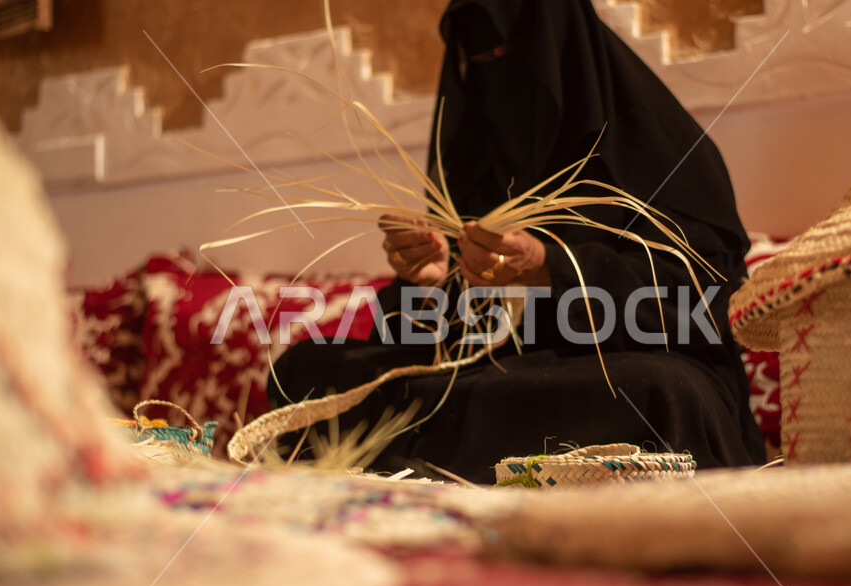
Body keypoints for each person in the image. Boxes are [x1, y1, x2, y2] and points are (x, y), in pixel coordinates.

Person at [251, 0, 766, 482]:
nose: (499, 74)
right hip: (498, 378)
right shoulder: (479, 164)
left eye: (513, 54)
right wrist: (430, 284)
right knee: (305, 370)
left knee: (657, 393)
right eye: (480, 59)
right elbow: (429, 343)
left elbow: (706, 308)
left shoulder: (664, 152)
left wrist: (552, 269)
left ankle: (438, 461)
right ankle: (463, 465)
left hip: (610, 373)